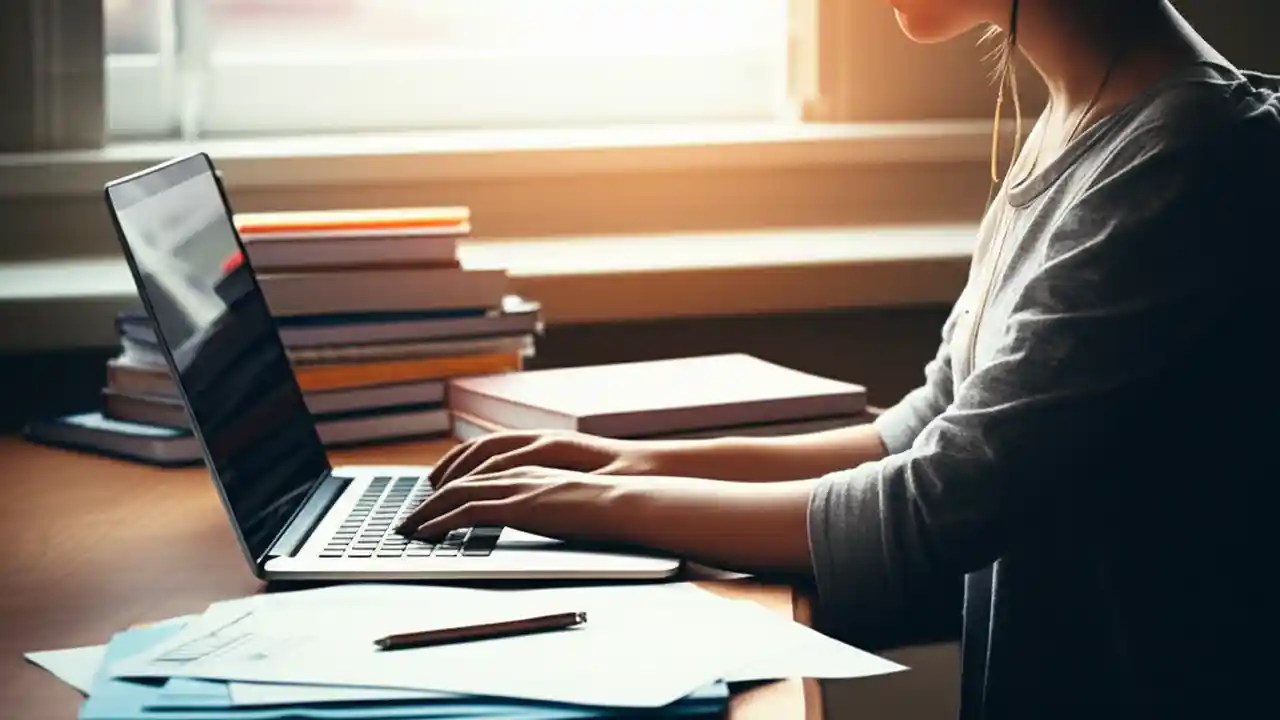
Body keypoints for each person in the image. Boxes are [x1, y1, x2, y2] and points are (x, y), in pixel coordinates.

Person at [398, 1, 1276, 717]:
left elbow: (938, 504)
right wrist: (624, 462)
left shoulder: (1185, 160)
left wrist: (603, 504)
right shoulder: (1079, 119)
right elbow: (916, 432)